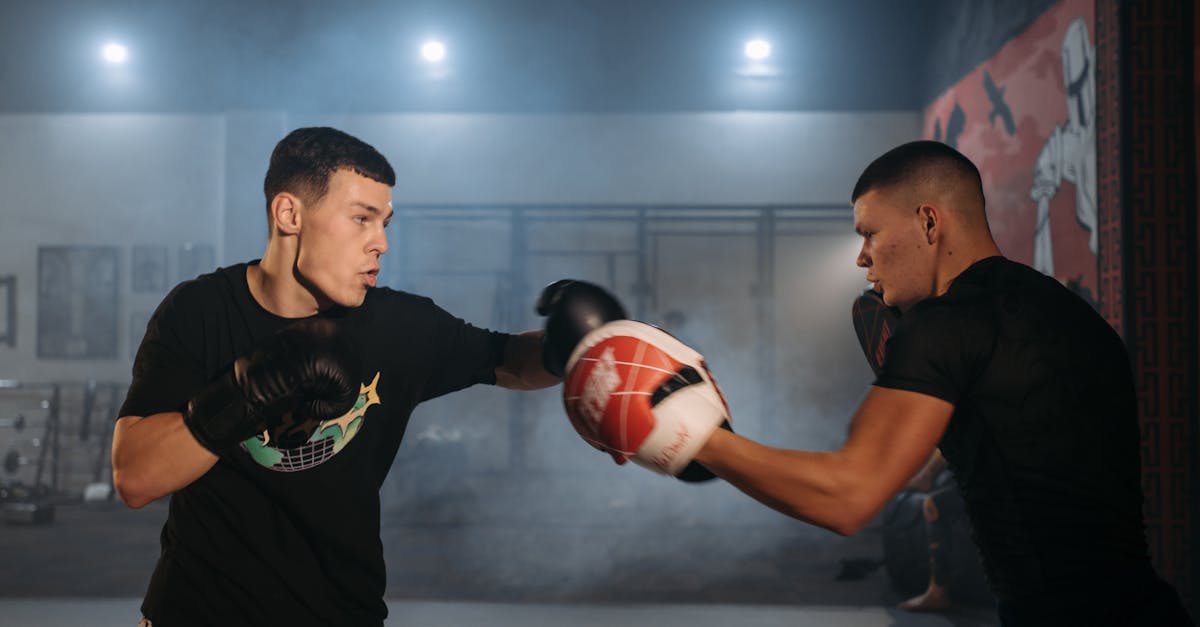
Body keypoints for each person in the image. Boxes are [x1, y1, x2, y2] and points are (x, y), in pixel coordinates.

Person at [559, 141, 1193, 626]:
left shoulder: (948, 327)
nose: (861, 257)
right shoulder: (1061, 312)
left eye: (869, 232)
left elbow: (849, 498)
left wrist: (688, 434)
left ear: (928, 221)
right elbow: (994, 455)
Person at [110, 127, 562, 627]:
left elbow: (516, 362)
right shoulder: (199, 311)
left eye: (385, 222)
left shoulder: (399, 327)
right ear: (290, 215)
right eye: (361, 219)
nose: (382, 243)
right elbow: (135, 478)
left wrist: (589, 344)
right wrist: (249, 391)